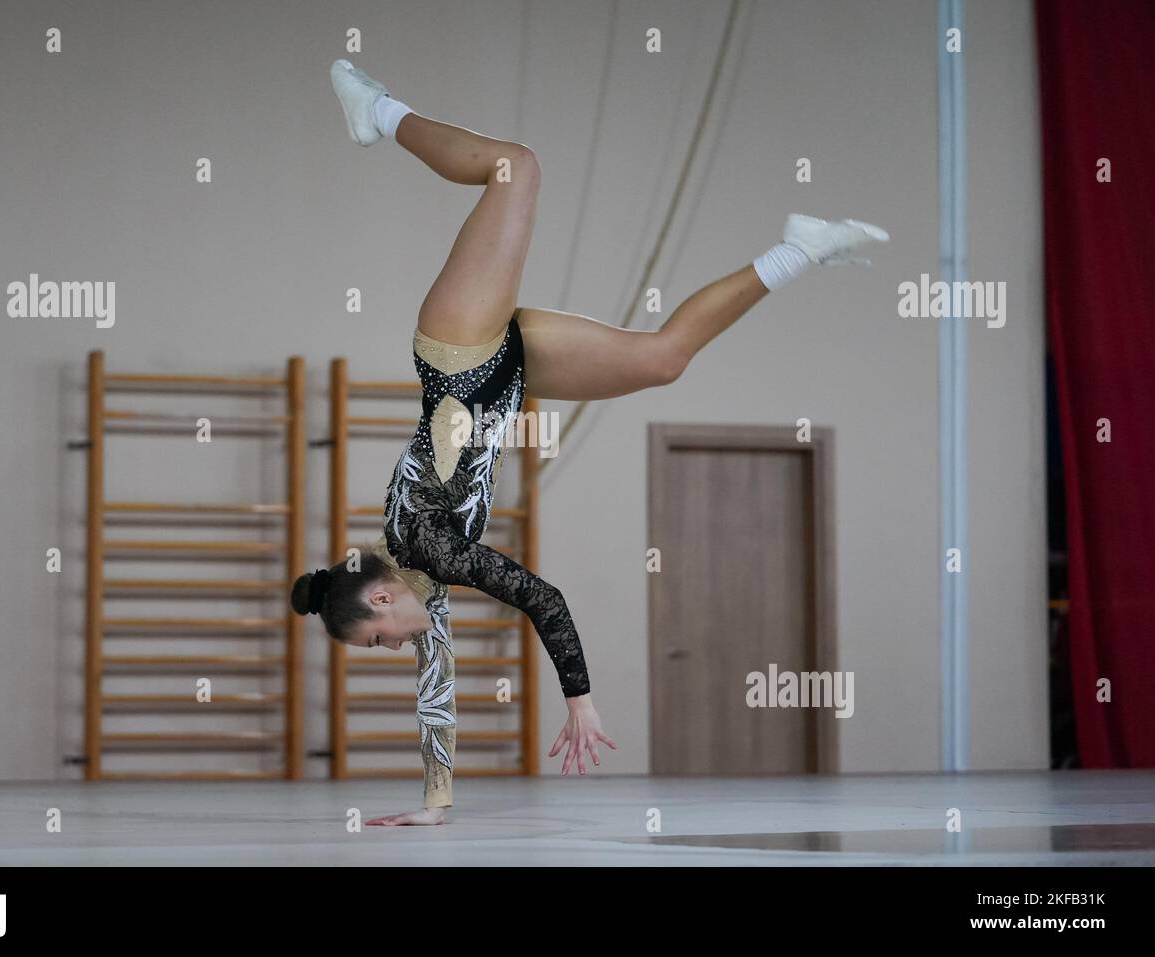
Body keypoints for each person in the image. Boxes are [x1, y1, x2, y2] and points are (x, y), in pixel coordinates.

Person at [290, 60, 890, 826]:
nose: (393, 648)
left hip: (458, 351)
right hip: (502, 369)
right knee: (662, 359)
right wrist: (435, 804)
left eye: (375, 640)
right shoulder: (421, 575)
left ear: (380, 597)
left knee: (515, 169)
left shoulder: (430, 549)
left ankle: (378, 110)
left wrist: (579, 700)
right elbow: (434, 688)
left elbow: (544, 597)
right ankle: (799, 250)